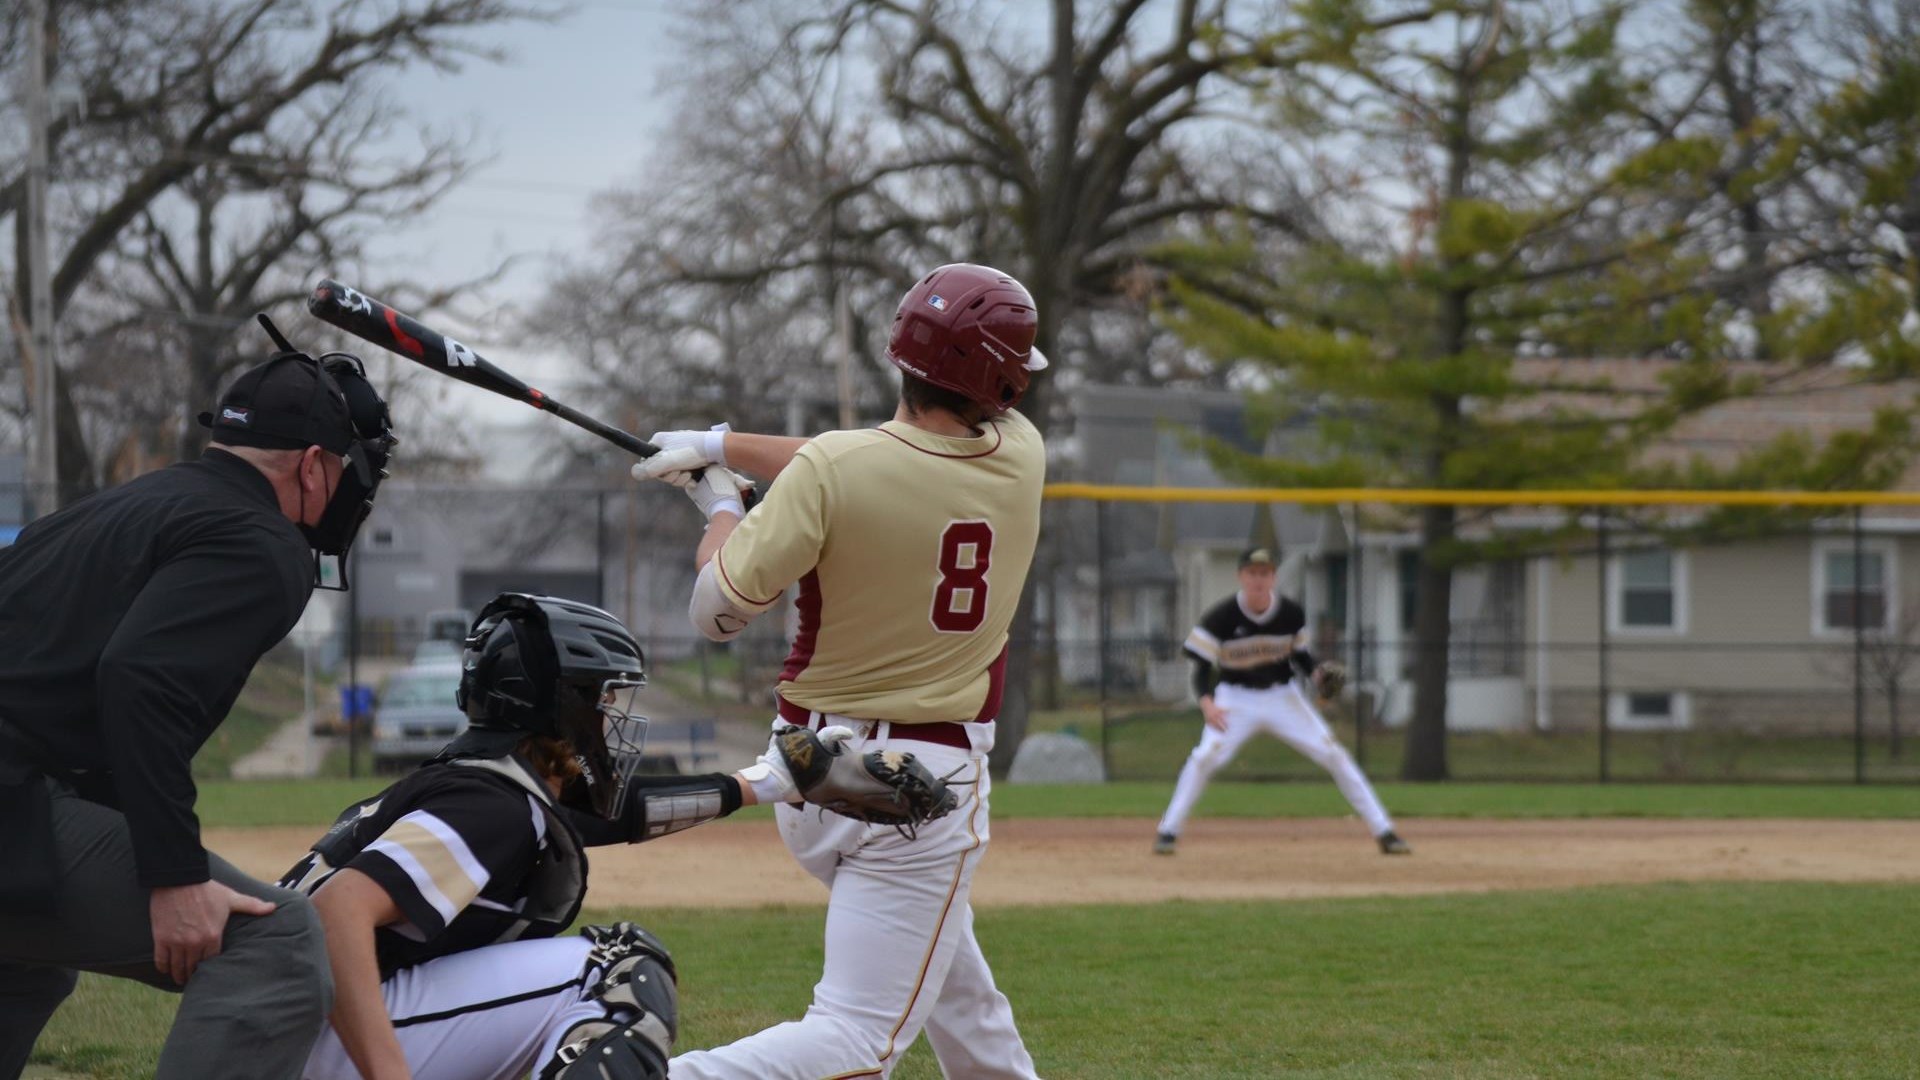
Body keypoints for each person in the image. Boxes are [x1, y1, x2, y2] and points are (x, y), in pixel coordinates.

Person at [634, 262, 1048, 1079]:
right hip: (920, 787)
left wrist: (721, 507)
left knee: (962, 998)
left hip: (805, 773)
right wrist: (721, 450)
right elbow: (854, 460)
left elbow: (714, 611)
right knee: (859, 1042)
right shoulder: (1022, 455)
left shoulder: (831, 470)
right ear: (995, 380)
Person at [0, 342, 396, 1080]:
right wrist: (174, 874)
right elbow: (140, 680)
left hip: (20, 793)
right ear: (313, 467)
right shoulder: (263, 540)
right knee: (276, 944)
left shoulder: (123, 506)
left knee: (28, 962)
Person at [287, 592, 855, 1080]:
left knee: (554, 1023)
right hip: (315, 1038)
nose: (610, 719)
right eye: (601, 699)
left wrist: (772, 782)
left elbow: (623, 814)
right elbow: (336, 912)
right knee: (614, 969)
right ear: (559, 707)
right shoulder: (492, 808)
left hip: (302, 1029)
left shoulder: (487, 789)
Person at [1153, 547, 1411, 856]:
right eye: (1252, 573)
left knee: (1334, 754)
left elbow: (1300, 656)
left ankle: (1384, 831)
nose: (1258, 580)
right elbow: (1202, 669)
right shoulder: (1220, 617)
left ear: (1274, 577)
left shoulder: (1290, 613)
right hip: (1235, 699)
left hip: (1282, 696)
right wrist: (1207, 704)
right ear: (1241, 577)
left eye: (1264, 573)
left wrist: (1316, 675)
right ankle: (1168, 831)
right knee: (1204, 757)